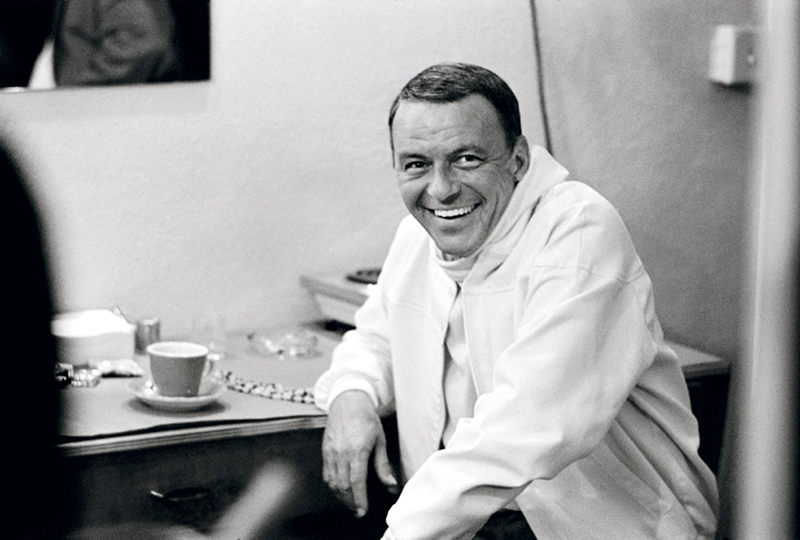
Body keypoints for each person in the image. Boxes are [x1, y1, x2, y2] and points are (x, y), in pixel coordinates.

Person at [314, 63, 719, 540]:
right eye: (417, 164)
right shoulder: (417, 235)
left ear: (518, 159)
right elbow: (377, 337)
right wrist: (351, 396)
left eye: (466, 158)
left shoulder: (577, 231)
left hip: (594, 524)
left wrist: (404, 532)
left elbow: (528, 425)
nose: (441, 189)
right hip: (458, 517)